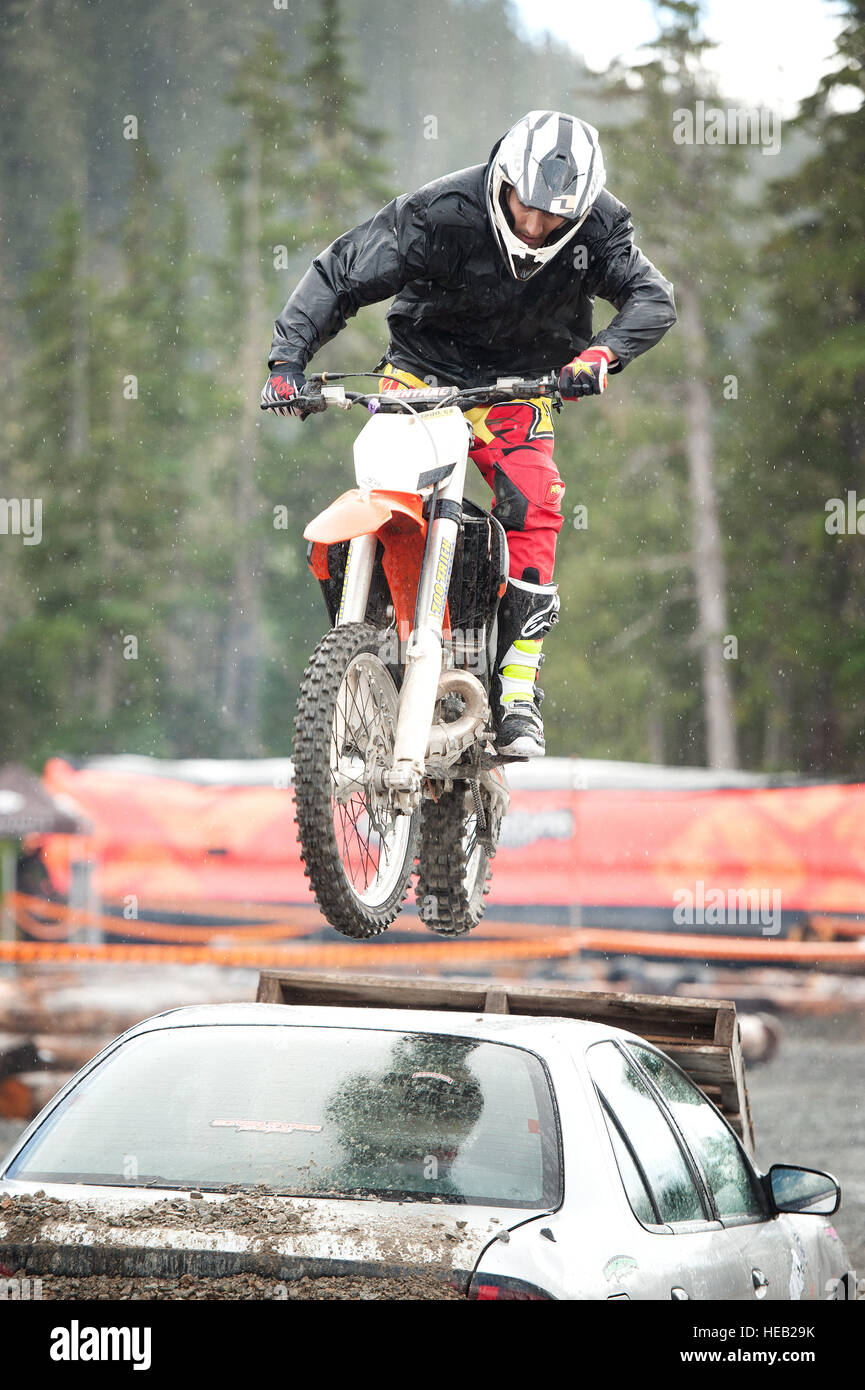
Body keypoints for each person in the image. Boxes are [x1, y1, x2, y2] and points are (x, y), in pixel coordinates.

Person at [261, 110, 676, 757]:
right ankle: (372, 641)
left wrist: (599, 357)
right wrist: (287, 361)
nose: (535, 224)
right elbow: (341, 271)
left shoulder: (600, 228)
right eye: (525, 206)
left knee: (534, 502)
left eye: (553, 218)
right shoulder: (441, 212)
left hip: (521, 386)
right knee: (385, 488)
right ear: (502, 180)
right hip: (421, 371)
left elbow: (652, 298)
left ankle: (515, 688)